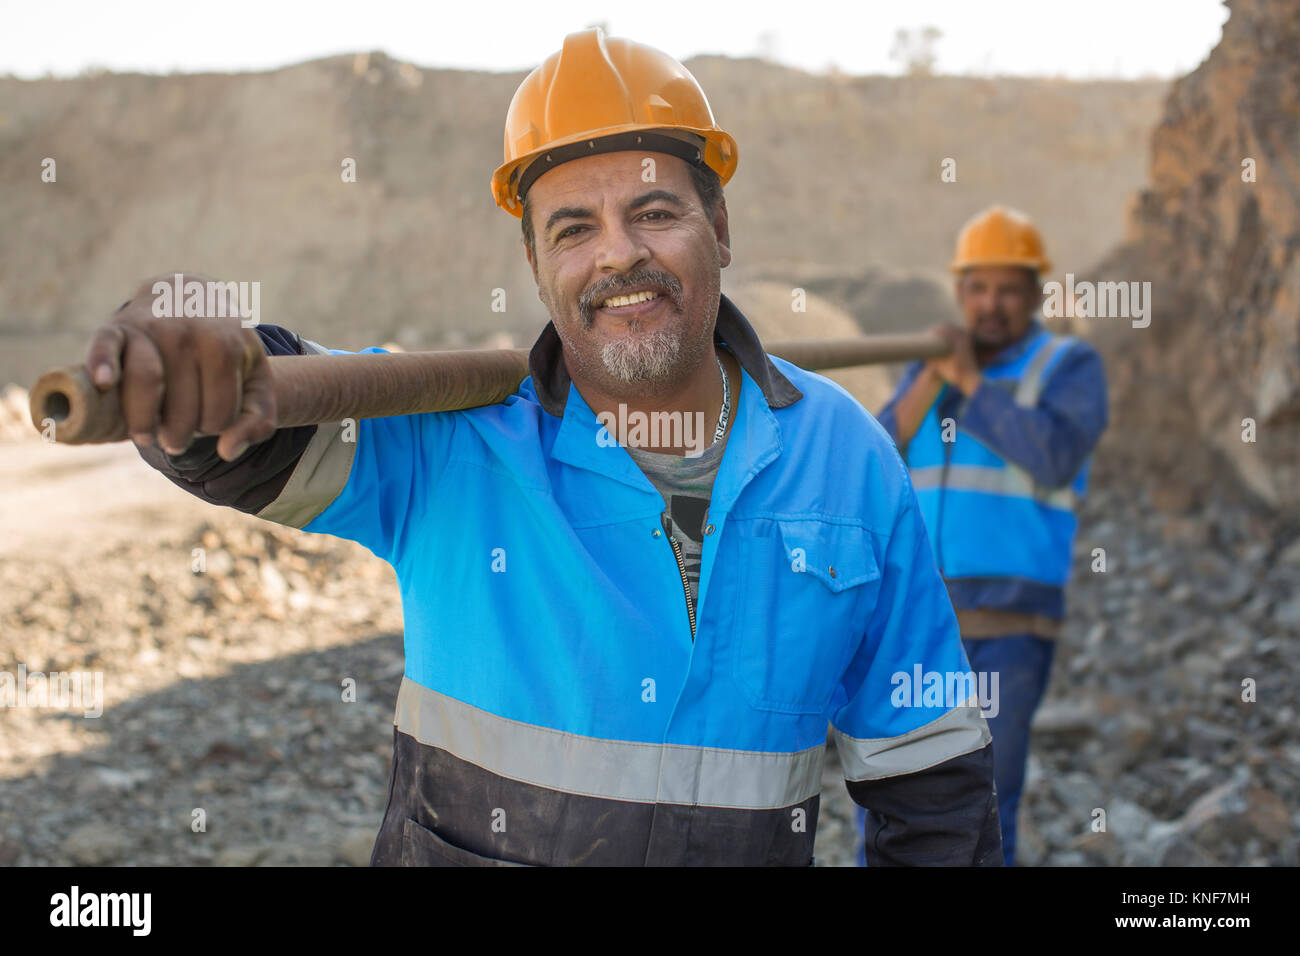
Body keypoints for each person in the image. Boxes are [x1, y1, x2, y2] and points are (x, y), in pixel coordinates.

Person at [84, 28, 1000, 866]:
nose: (617, 257)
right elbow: (237, 442)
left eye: (653, 211)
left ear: (719, 228)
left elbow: (932, 779)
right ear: (534, 263)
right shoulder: (453, 444)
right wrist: (184, 326)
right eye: (573, 229)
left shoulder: (846, 455)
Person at [859, 206, 1109, 866]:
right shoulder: (932, 369)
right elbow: (876, 457)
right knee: (895, 790)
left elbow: (1053, 455)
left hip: (1009, 625)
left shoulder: (1068, 366)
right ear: (959, 292)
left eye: (1006, 289)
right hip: (919, 622)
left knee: (987, 799)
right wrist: (933, 377)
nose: (990, 304)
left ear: (1033, 294)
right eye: (977, 288)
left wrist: (969, 382)